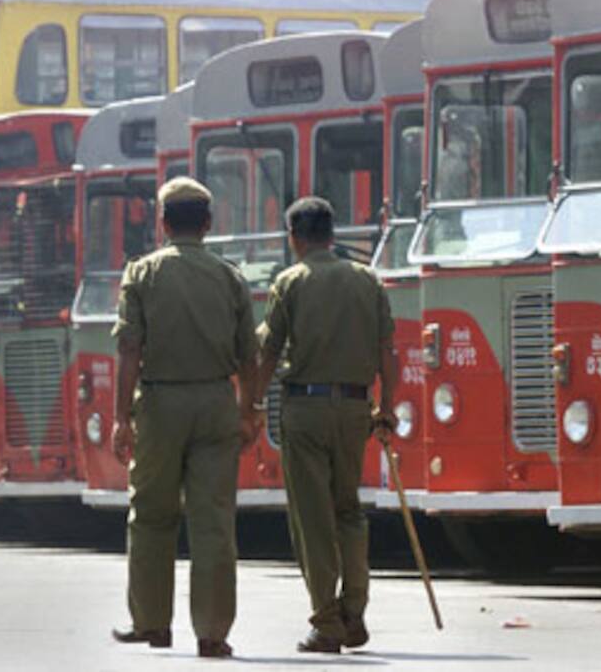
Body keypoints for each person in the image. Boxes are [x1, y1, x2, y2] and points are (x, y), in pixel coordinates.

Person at [110, 177, 261, 659]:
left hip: (159, 404)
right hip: (217, 402)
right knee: (213, 521)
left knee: (152, 515)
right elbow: (250, 357)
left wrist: (120, 417)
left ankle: (152, 622)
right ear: (209, 224)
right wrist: (248, 411)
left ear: (163, 223)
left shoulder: (142, 274)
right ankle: (213, 633)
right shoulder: (230, 276)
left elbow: (129, 348)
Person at [254, 196, 399, 654]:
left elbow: (268, 351)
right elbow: (387, 351)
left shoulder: (290, 282)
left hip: (306, 409)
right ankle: (355, 614)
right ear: (332, 235)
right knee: (349, 510)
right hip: (356, 408)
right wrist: (388, 407)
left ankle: (326, 623)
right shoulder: (366, 280)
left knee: (312, 518)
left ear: (294, 238)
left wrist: (251, 404)